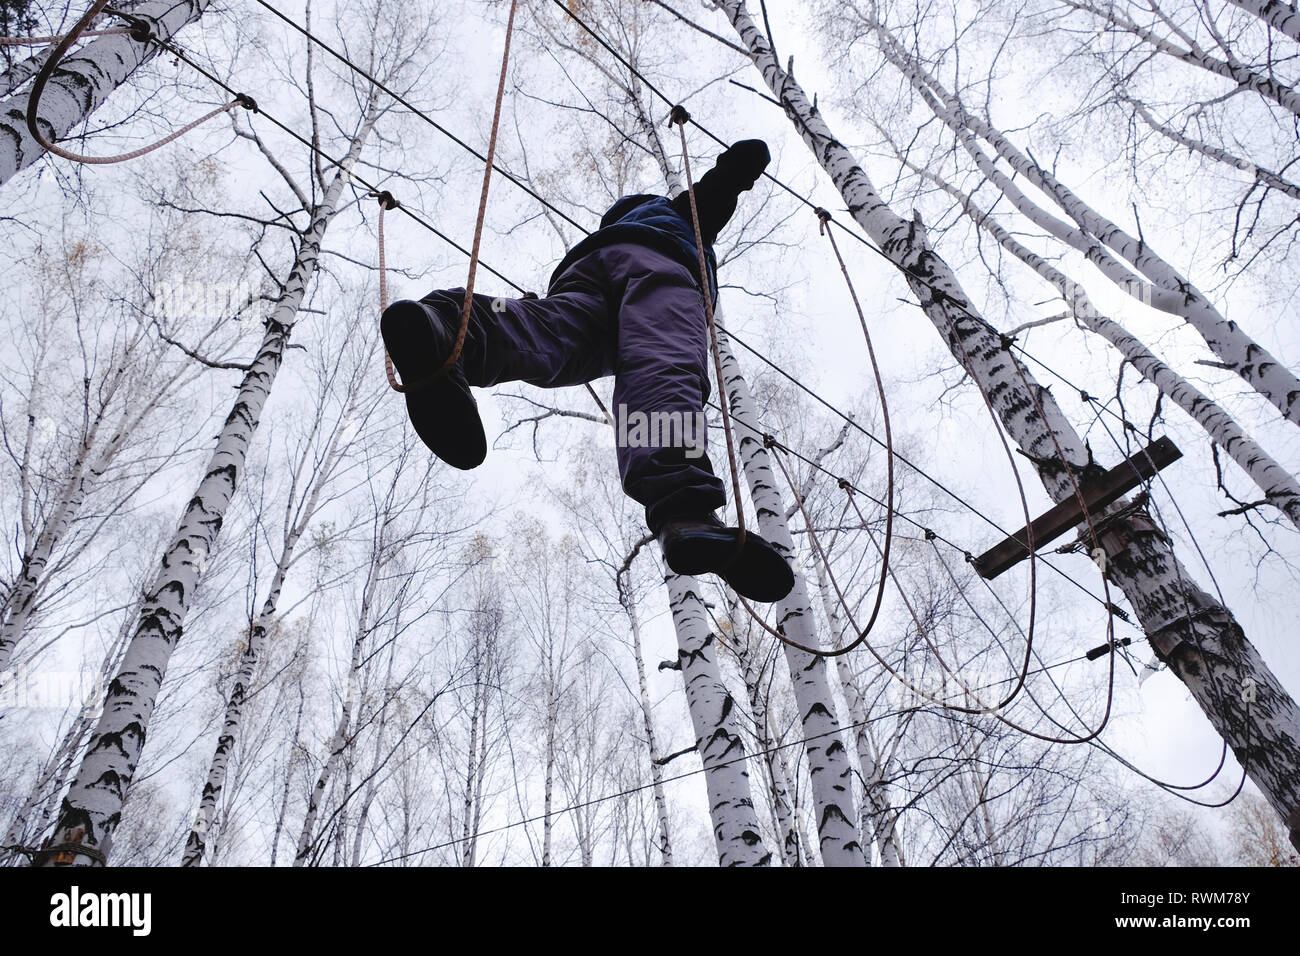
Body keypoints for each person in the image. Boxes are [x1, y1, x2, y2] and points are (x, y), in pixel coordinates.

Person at [380, 139, 794, 603]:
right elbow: (711, 196)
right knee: (661, 364)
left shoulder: (610, 232)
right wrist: (737, 170)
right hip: (659, 264)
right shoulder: (675, 216)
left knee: (544, 329)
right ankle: (683, 505)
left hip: (584, 272)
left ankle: (446, 325)